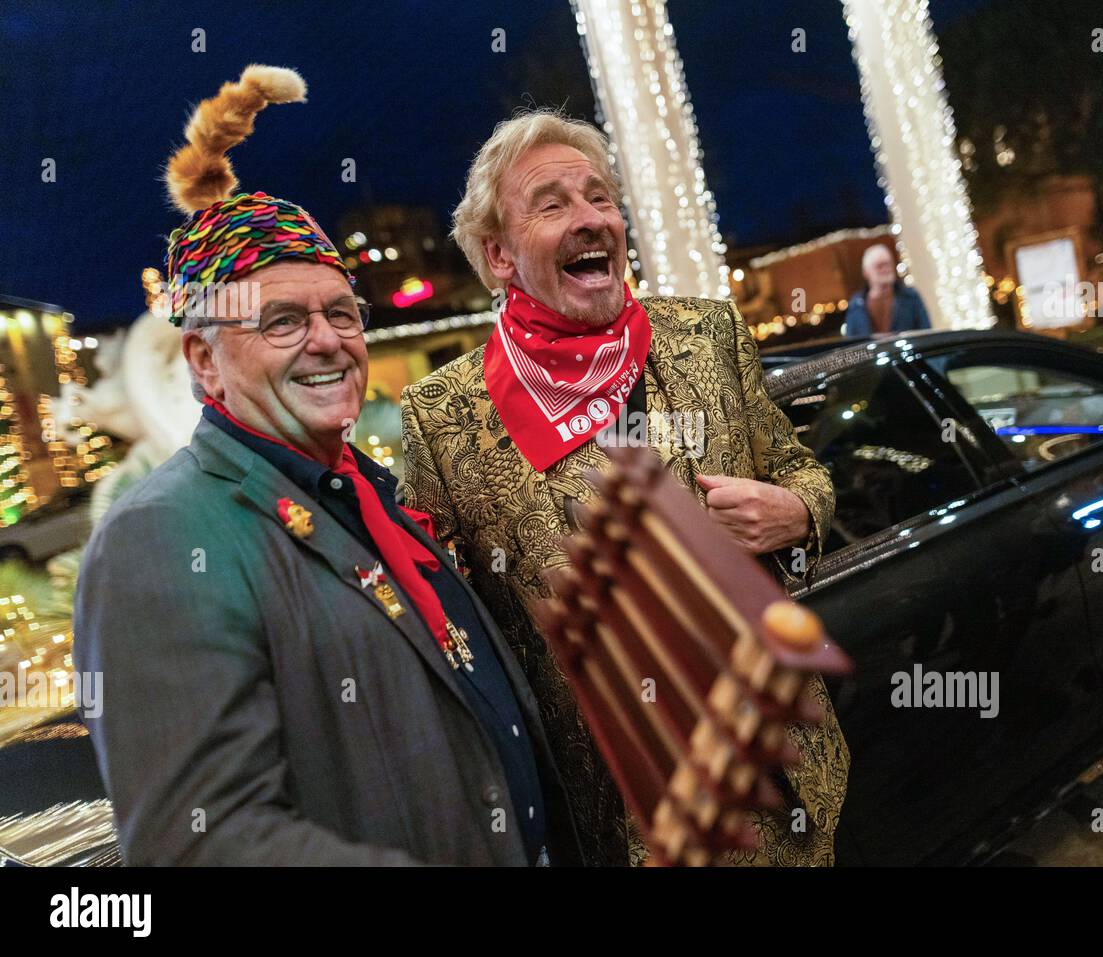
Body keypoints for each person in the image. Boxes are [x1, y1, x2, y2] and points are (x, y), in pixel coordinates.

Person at [74, 66, 580, 866]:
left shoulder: (364, 488)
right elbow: (201, 844)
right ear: (203, 361)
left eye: (341, 313)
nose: (327, 340)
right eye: (281, 321)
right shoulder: (160, 536)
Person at [400, 109, 849, 866]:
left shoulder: (705, 334)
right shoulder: (443, 418)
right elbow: (458, 637)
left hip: (791, 772)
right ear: (498, 254)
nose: (590, 219)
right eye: (552, 204)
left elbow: (801, 468)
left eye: (600, 197)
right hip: (637, 826)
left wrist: (800, 509)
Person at [843, 243, 932, 336]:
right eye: (879, 266)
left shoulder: (910, 297)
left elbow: (926, 333)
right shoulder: (856, 305)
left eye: (888, 264)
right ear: (866, 272)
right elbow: (852, 342)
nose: (886, 269)